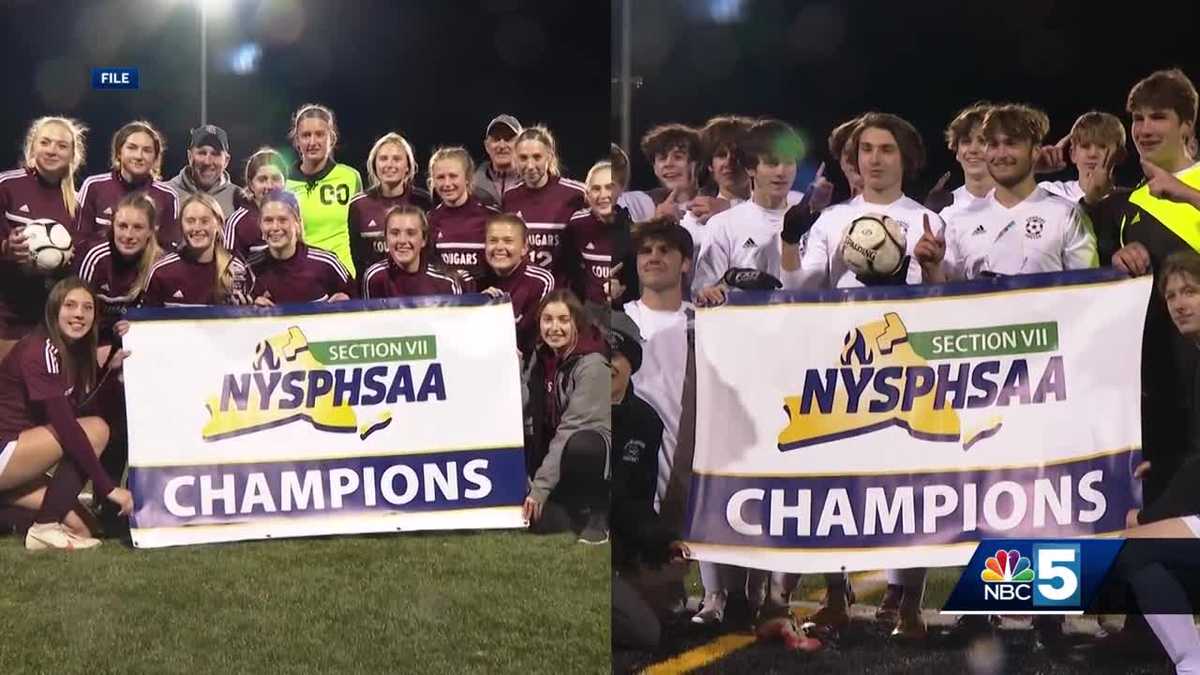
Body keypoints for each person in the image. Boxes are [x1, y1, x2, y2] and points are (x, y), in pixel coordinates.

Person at [0, 277, 133, 548]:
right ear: (54, 310)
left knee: (83, 528)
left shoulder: (73, 352)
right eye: (70, 305)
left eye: (87, 308)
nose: (79, 314)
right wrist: (109, 488)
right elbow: (69, 429)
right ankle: (44, 528)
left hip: (17, 456)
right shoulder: (40, 349)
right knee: (95, 429)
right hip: (6, 450)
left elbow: (83, 407)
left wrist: (110, 370)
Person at [921, 104, 1098, 284]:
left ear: (1035, 151)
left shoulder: (1066, 214)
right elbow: (947, 298)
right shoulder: (961, 221)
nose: (1001, 153)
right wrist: (932, 267)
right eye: (993, 144)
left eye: (1011, 143)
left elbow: (1088, 292)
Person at [781, 113, 936, 291]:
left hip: (904, 318)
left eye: (886, 150)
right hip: (844, 318)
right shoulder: (829, 218)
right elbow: (797, 290)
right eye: (866, 149)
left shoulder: (929, 223)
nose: (874, 159)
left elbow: (950, 301)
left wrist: (930, 272)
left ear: (906, 158)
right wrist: (789, 242)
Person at [610, 309, 688, 652]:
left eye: (614, 355)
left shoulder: (645, 421)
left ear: (632, 362)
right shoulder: (570, 407)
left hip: (614, 544)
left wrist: (662, 541)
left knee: (646, 634)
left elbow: (636, 502)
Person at [522, 289, 610, 544]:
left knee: (584, 444)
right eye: (547, 319)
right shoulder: (543, 356)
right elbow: (524, 408)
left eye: (563, 319)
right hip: (558, 453)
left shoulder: (592, 365)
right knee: (539, 524)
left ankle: (599, 513)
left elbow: (571, 429)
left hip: (596, 454)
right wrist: (513, 366)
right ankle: (572, 510)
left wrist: (539, 489)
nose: (554, 327)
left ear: (577, 323)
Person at [0, 116, 88, 358]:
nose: (52, 150)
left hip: (52, 317)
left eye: (61, 145)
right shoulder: (7, 186)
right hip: (7, 313)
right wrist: (6, 249)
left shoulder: (78, 204)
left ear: (73, 155)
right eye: (45, 142)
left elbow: (78, 263)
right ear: (33, 147)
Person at [693, 118, 813, 291]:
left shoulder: (814, 219)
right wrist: (730, 282)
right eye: (771, 163)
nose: (781, 172)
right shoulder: (723, 225)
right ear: (750, 168)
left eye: (788, 162)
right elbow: (703, 293)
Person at [285, 103, 363, 275]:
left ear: (332, 138)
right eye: (306, 135)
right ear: (297, 141)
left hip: (343, 277)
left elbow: (359, 234)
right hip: (301, 277)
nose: (312, 142)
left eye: (320, 134)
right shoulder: (284, 182)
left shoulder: (350, 177)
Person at [77, 120, 179, 250]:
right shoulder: (94, 187)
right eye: (132, 148)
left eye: (147, 150)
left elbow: (169, 250)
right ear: (119, 152)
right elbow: (80, 240)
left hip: (149, 269)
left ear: (155, 158)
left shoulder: (167, 196)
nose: (139, 156)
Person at [502, 125, 586, 278]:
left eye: (537, 157)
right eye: (523, 158)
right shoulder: (509, 197)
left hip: (562, 295)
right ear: (515, 159)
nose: (530, 165)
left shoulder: (577, 194)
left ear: (549, 156)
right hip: (524, 292)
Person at [141, 193, 251, 307]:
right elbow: (146, 322)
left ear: (218, 224)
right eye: (190, 221)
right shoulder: (161, 271)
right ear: (180, 225)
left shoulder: (235, 270)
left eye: (204, 221)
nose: (197, 228)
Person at [245, 190, 353, 305]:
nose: (275, 227)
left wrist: (343, 303)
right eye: (268, 220)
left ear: (297, 223)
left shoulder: (327, 263)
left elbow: (357, 303)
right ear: (260, 225)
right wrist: (251, 310)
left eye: (282, 220)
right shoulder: (251, 268)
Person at [347, 132, 433, 275]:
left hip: (417, 288)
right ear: (374, 165)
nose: (389, 164)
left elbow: (429, 251)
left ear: (408, 166)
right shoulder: (359, 205)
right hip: (374, 288)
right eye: (383, 159)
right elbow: (356, 257)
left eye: (397, 159)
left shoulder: (424, 201)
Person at [679, 115, 754, 273]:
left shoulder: (781, 206)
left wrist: (732, 208)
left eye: (737, 155)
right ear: (710, 165)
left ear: (753, 162)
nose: (729, 162)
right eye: (721, 155)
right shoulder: (691, 217)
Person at [474, 213, 555, 356]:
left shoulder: (541, 282)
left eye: (508, 241)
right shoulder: (474, 281)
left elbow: (533, 340)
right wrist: (479, 307)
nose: (499, 247)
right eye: (493, 241)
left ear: (524, 248)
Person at [427, 147, 498, 284]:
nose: (447, 184)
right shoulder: (430, 220)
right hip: (447, 302)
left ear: (467, 178)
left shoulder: (491, 216)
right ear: (433, 181)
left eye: (453, 176)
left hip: (485, 300)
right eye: (440, 177)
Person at [361, 205, 463, 298]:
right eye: (395, 233)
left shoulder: (446, 282)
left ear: (424, 239)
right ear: (386, 239)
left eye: (411, 233)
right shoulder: (375, 278)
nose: (402, 240)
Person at [1039, 111, 1128, 207]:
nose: (1092, 154)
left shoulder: (1129, 202)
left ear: (1120, 155)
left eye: (1102, 146)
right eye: (1085, 146)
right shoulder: (1049, 192)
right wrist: (1034, 165)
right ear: (1073, 154)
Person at [619, 124, 702, 224]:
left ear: (696, 163)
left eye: (678, 157)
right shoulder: (637, 203)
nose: (668, 164)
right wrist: (656, 221)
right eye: (662, 158)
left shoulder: (715, 203)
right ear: (654, 168)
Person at [564, 160, 616, 318]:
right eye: (596, 189)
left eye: (609, 187)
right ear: (586, 195)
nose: (603, 195)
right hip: (592, 313)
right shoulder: (577, 224)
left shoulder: (635, 222)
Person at [224, 148, 289, 260]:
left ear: (285, 182)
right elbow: (228, 269)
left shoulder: (294, 216)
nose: (269, 186)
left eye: (275, 178)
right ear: (251, 184)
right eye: (262, 180)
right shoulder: (237, 223)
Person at [165, 124, 239, 217]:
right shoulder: (166, 193)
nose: (207, 162)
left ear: (226, 161)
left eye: (215, 154)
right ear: (190, 156)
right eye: (202, 153)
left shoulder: (238, 198)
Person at [472, 114, 522, 207]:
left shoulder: (534, 183)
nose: (502, 146)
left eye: (508, 139)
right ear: (487, 146)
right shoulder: (470, 187)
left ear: (521, 145)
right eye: (496, 139)